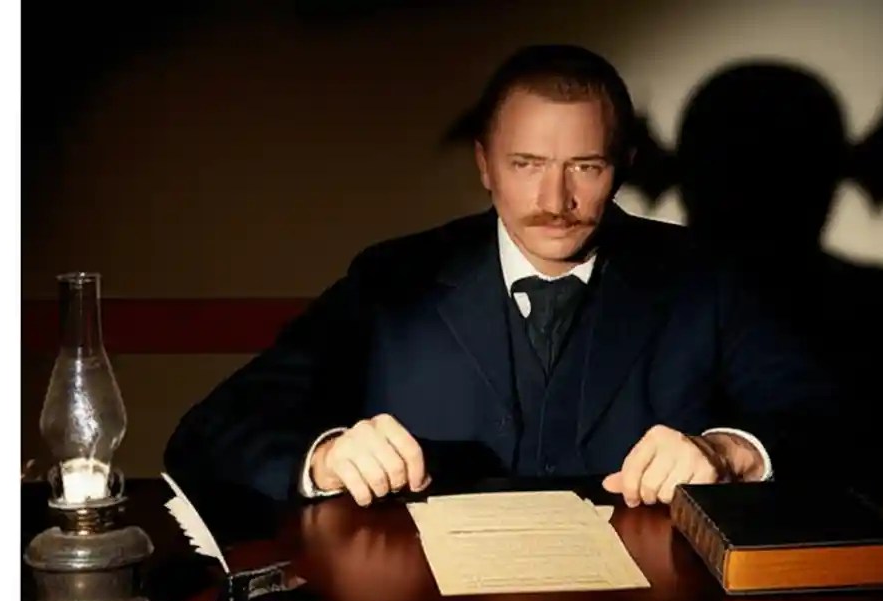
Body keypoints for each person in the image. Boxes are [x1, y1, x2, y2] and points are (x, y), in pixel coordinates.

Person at [163, 45, 836, 508]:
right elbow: (210, 431)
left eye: (586, 167)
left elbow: (834, 428)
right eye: (526, 164)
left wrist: (729, 453)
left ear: (623, 165)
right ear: (484, 164)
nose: (555, 199)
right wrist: (324, 457)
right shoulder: (392, 279)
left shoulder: (707, 278)